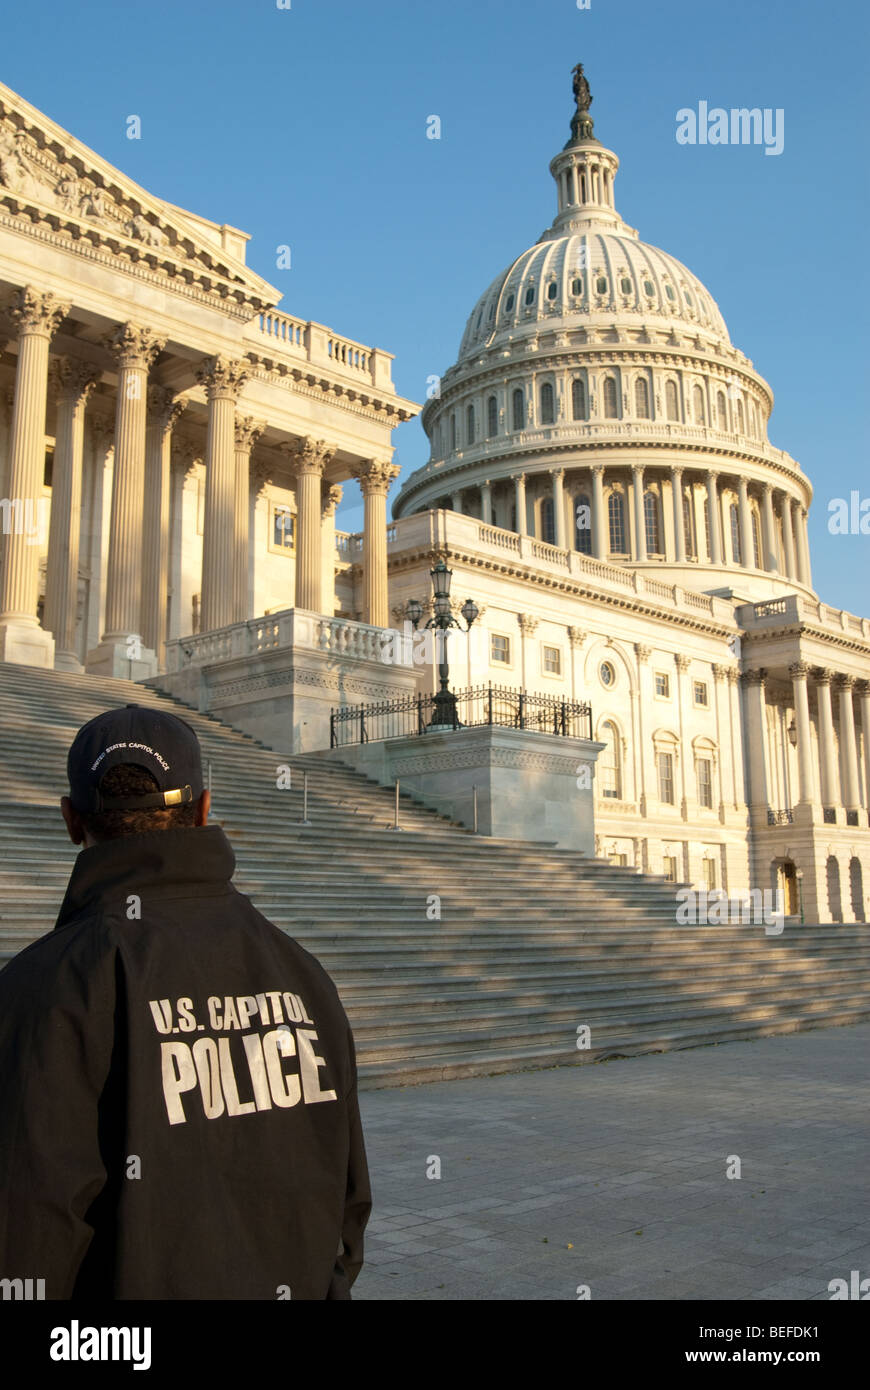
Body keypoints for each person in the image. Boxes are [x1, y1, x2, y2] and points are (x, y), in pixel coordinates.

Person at [0, 704, 371, 1299]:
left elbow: (27, 1233)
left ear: (72, 820)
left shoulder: (40, 988)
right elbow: (348, 1204)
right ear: (202, 809)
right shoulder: (304, 974)